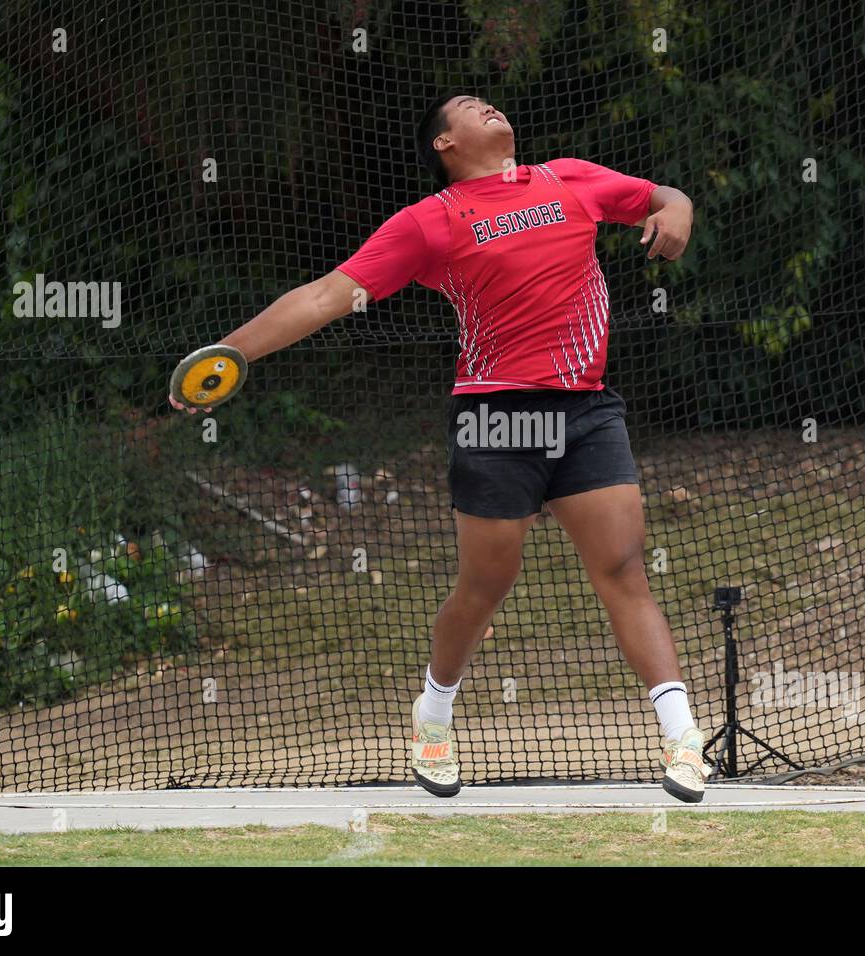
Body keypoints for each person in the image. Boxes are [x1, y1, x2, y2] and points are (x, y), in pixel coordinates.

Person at [170, 93, 707, 802]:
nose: (486, 106)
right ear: (445, 145)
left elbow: (661, 196)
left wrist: (678, 209)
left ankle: (683, 741)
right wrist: (230, 354)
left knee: (623, 569)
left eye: (487, 100)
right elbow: (329, 295)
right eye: (466, 107)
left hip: (586, 411)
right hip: (497, 417)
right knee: (487, 586)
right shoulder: (432, 222)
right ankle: (434, 712)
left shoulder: (566, 178)